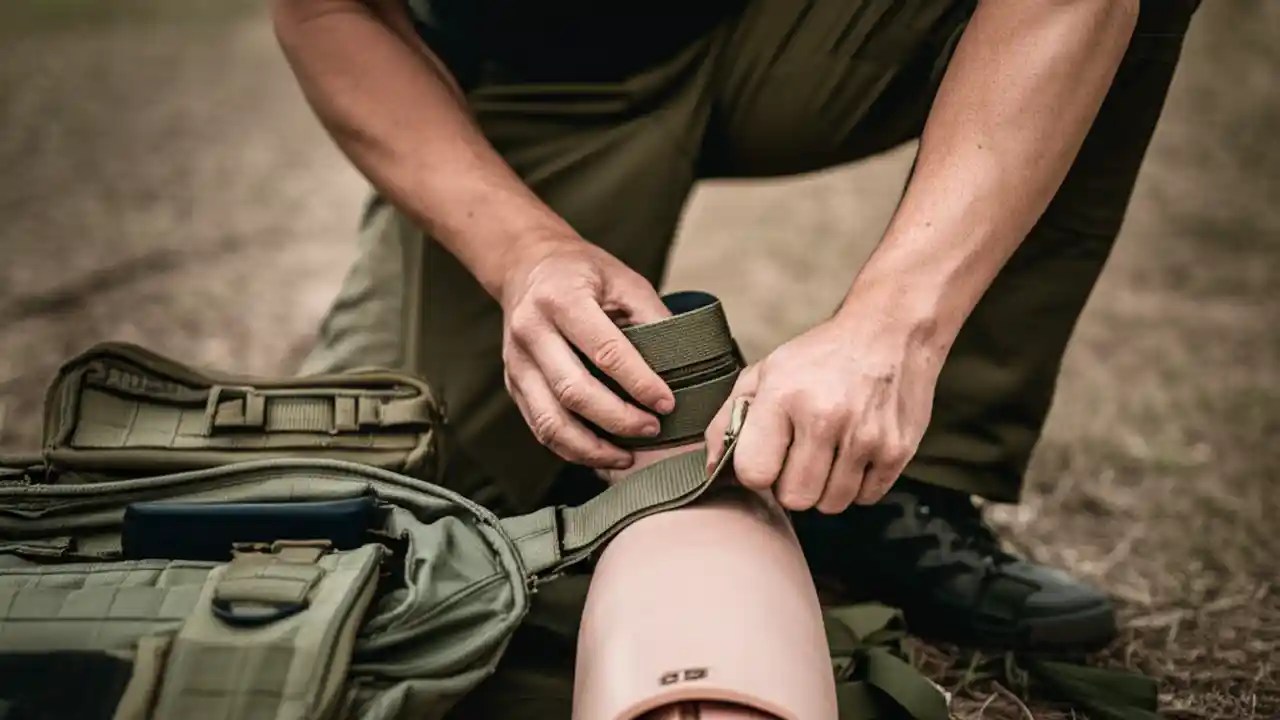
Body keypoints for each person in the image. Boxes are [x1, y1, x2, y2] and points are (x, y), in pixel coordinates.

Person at [273, 0, 1199, 708]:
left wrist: (895, 328)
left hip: (798, 30)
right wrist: (524, 253)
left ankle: (906, 486)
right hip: (524, 80)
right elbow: (326, 11)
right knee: (389, 521)